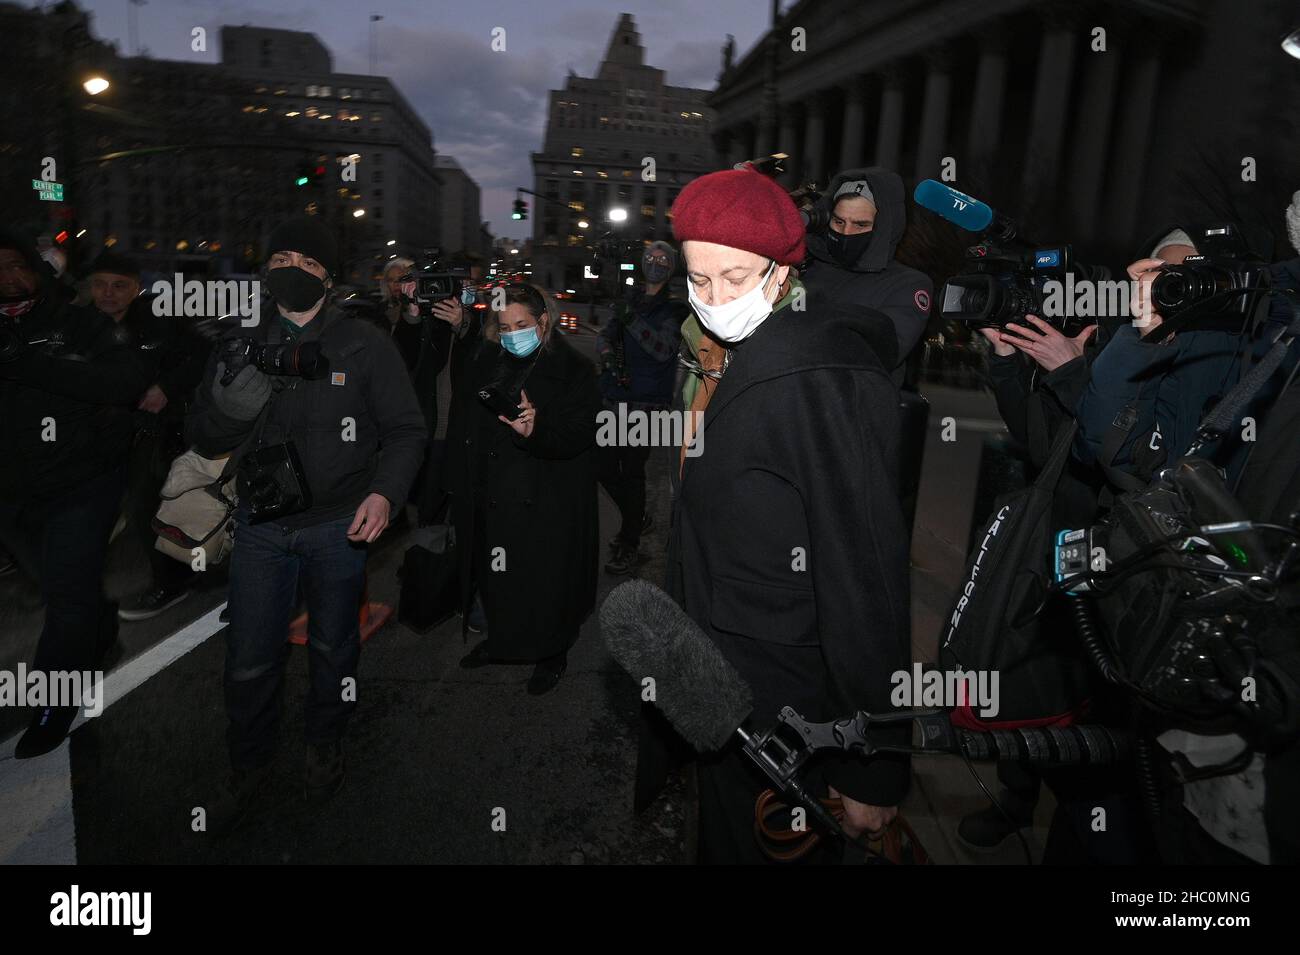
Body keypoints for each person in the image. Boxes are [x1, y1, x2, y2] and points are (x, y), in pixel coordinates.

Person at [666, 169, 912, 863]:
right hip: (722, 682)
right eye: (699, 277)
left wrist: (874, 762)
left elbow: (865, 570)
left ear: (783, 272)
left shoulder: (820, 374)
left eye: (735, 277)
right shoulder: (709, 351)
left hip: (790, 704)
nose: (714, 299)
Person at [186, 216, 426, 832]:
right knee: (249, 655)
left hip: (337, 526)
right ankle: (249, 760)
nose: (291, 268)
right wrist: (233, 399)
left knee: (332, 647)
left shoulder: (363, 342)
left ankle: (325, 742)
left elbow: (405, 430)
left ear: (328, 276)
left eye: (308, 261)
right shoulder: (238, 339)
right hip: (260, 527)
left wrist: (384, 494)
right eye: (281, 256)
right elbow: (202, 435)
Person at [0, 233, 156, 758]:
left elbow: (126, 381)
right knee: (59, 585)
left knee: (66, 597)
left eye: (16, 266)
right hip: (14, 496)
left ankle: (53, 706)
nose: (9, 278)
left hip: (82, 484)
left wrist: (31, 362)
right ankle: (100, 626)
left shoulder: (78, 323)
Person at [444, 283, 599, 695]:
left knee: (545, 582)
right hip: (493, 494)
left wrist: (538, 429)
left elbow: (580, 434)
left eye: (522, 324)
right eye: (505, 325)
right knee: (498, 577)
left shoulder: (575, 369)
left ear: (543, 322)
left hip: (544, 497)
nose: (513, 333)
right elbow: (465, 410)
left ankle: (552, 652)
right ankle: (501, 642)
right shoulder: (490, 359)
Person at [82, 251, 213, 621]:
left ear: (136, 288)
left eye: (119, 286)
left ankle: (171, 582)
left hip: (154, 429)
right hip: (101, 431)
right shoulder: (80, 324)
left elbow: (203, 355)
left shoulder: (162, 317)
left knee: (145, 506)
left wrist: (166, 388)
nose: (108, 294)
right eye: (100, 285)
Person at [595, 240, 689, 575]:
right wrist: (607, 354)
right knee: (603, 468)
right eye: (651, 257)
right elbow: (605, 334)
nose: (656, 262)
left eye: (664, 259)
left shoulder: (675, 309)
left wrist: (630, 319)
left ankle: (629, 542)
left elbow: (662, 349)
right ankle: (637, 518)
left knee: (632, 473)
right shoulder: (630, 299)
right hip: (614, 397)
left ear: (672, 267)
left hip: (647, 405)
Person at [800, 168, 934, 384]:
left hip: (855, 411)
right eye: (839, 222)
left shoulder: (908, 285)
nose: (846, 233)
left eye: (861, 224)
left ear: (883, 228)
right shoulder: (804, 266)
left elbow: (878, 352)